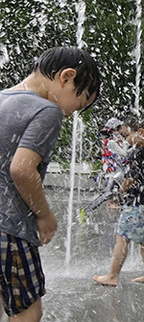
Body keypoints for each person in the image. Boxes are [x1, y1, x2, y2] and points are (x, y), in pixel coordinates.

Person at [0, 47, 101, 321]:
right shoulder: (46, 110)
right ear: (67, 77)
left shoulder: (3, 98)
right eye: (80, 103)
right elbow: (22, 169)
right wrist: (44, 215)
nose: (72, 113)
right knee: (27, 311)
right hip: (10, 229)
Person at [93, 120, 144, 286]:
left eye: (127, 135)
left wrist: (120, 192)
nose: (126, 140)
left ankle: (113, 276)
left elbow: (130, 179)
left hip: (135, 202)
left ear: (140, 132)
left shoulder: (139, 153)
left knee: (122, 237)